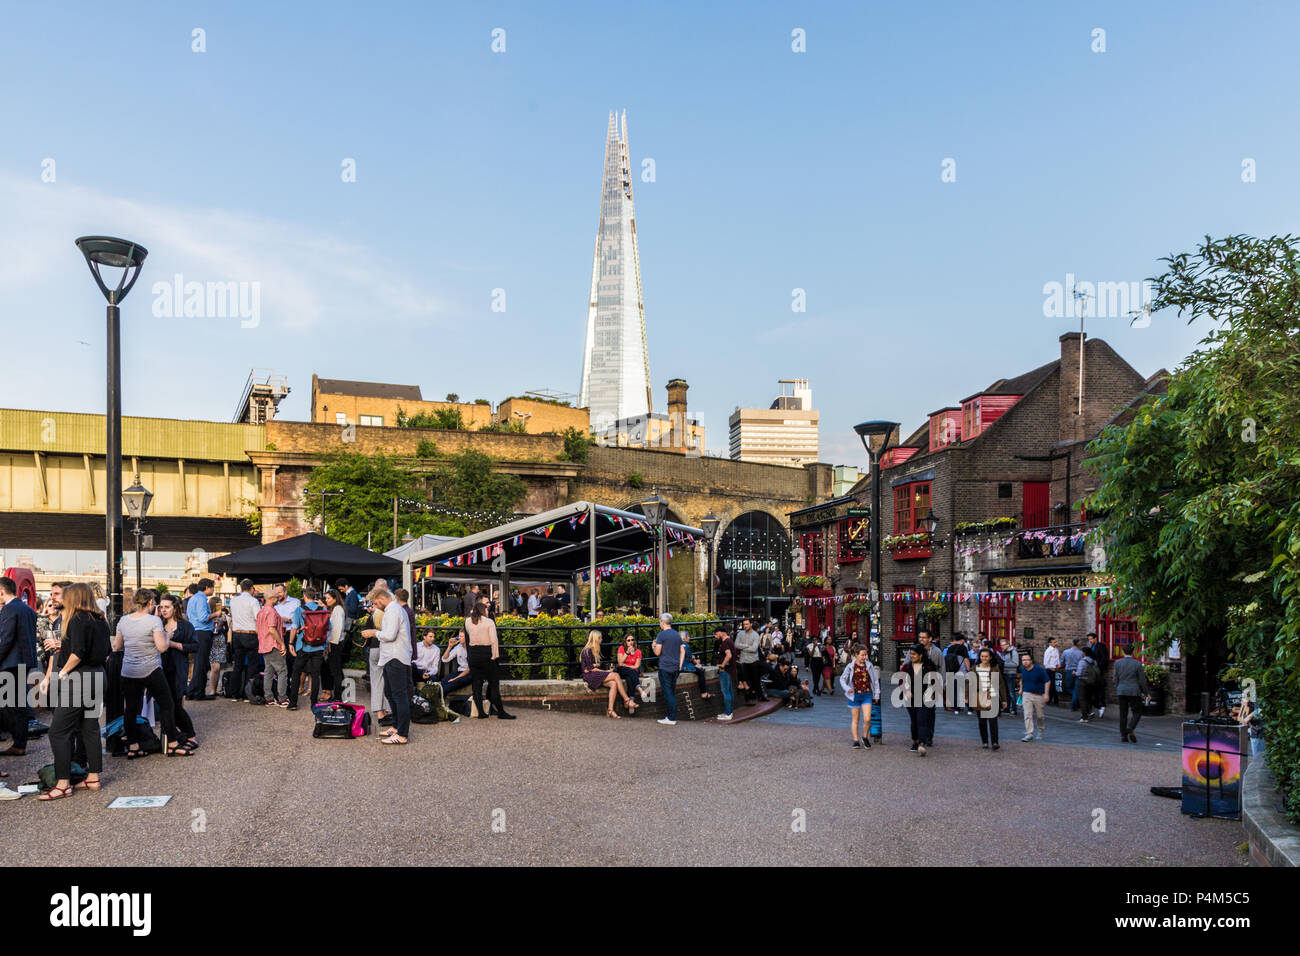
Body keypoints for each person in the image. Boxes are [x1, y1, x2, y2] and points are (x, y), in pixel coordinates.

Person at [38, 583, 110, 800]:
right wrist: (64, 647)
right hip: (98, 676)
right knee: (90, 727)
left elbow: (78, 653)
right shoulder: (100, 620)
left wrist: (62, 672)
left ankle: (62, 784)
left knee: (58, 731)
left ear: (74, 598)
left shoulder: (77, 619)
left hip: (79, 679)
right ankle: (93, 777)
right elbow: (101, 650)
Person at [114, 589, 191, 757]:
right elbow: (162, 647)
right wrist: (167, 635)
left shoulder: (123, 620)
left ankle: (133, 745)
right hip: (150, 669)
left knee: (131, 709)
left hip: (128, 670)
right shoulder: (154, 621)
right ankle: (172, 743)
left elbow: (117, 646)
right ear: (150, 603)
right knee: (167, 704)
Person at [361, 587, 415, 743]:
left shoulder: (393, 611)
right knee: (391, 693)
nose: (376, 606)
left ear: (382, 598)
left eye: (376, 603)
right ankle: (397, 727)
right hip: (392, 657)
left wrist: (373, 633)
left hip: (396, 657)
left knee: (399, 695)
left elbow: (390, 635)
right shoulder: (395, 610)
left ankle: (402, 734)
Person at [0, 575, 39, 757]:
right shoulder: (28, 610)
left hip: (10, 664)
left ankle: (18, 741)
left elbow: (5, 640)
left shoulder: (9, 610)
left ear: (1, 592)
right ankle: (19, 742)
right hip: (25, 662)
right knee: (19, 703)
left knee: (8, 704)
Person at [458, 595, 513, 720]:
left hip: (473, 655)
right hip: (487, 653)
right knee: (494, 684)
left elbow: (467, 640)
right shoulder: (489, 622)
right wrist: (495, 657)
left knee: (476, 685)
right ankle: (501, 712)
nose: (488, 611)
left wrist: (470, 657)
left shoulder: (467, 621)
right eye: (487, 610)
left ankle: (481, 713)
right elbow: (494, 641)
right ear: (483, 611)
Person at [157, 594, 199, 749]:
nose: (163, 610)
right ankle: (172, 735)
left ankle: (191, 735)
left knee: (175, 703)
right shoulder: (158, 624)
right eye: (161, 607)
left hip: (178, 668)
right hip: (160, 669)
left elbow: (195, 646)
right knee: (165, 705)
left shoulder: (186, 626)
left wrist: (173, 644)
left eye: (167, 607)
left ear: (175, 608)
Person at [580, 631, 639, 718]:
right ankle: (627, 700)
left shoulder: (594, 649)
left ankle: (610, 710)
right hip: (590, 676)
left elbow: (594, 666)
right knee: (615, 675)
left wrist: (601, 669)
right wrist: (606, 672)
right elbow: (590, 669)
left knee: (613, 683)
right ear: (596, 639)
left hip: (595, 674)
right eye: (600, 638)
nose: (602, 640)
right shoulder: (587, 650)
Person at [287, 587, 327, 710]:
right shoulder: (323, 610)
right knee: (315, 675)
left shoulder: (300, 609)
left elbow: (294, 627)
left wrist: (290, 643)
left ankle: (293, 703)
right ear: (315, 596)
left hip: (303, 646)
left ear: (304, 596)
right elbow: (328, 629)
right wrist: (326, 645)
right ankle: (313, 703)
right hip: (319, 646)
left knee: (296, 673)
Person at [900, 643, 938, 755]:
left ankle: (922, 743)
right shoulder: (906, 667)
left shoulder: (929, 667)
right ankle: (915, 741)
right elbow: (901, 681)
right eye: (910, 654)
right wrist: (906, 691)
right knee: (914, 720)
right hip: (910, 698)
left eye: (914, 654)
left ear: (921, 655)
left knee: (922, 719)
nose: (911, 656)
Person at [228, 579, 261, 702]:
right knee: (252, 665)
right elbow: (258, 617)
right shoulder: (253, 601)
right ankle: (248, 693)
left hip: (237, 634)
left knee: (238, 665)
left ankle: (234, 693)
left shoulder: (233, 600)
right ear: (252, 588)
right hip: (250, 634)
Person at [838, 645, 877, 749]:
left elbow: (875, 680)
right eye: (862, 655)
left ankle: (864, 737)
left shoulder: (869, 666)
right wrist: (847, 688)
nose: (864, 657)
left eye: (865, 655)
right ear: (856, 655)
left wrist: (876, 694)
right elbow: (842, 679)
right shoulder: (850, 666)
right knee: (856, 719)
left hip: (867, 694)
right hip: (854, 696)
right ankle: (855, 740)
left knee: (867, 719)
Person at [184, 578, 216, 700]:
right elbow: (203, 618)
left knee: (199, 663)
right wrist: (216, 615)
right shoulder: (201, 599)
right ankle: (198, 692)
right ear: (207, 587)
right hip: (203, 632)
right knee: (201, 663)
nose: (213, 590)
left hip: (196, 631)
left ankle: (193, 690)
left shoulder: (193, 598)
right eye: (212, 587)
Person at [1112, 645, 1151, 743]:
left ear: (1123, 652)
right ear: (1133, 652)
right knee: (1137, 712)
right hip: (1134, 691)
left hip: (1122, 690)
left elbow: (1115, 679)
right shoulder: (1137, 664)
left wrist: (1118, 687)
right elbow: (1142, 680)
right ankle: (1130, 727)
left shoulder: (1117, 663)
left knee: (1123, 714)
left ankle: (1123, 736)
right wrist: (1146, 693)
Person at [652, 612, 684, 726]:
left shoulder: (661, 635)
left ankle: (671, 718)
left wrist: (653, 645)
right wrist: (680, 665)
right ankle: (670, 716)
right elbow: (682, 650)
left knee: (668, 693)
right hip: (675, 667)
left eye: (660, 621)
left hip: (665, 667)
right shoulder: (676, 634)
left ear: (663, 622)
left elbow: (657, 652)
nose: (659, 623)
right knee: (672, 691)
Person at [256, 594, 289, 706]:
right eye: (275, 597)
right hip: (273, 644)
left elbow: (258, 629)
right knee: (282, 671)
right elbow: (272, 629)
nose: (278, 599)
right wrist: (282, 643)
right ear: (270, 598)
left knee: (268, 671)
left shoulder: (261, 611)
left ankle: (269, 698)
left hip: (264, 645)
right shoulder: (271, 611)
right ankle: (282, 698)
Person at [972, 647, 1006, 750]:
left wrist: (1004, 699)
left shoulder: (995, 668)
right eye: (982, 656)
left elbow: (1000, 683)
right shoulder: (974, 668)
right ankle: (985, 741)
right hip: (979, 696)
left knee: (993, 720)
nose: (984, 658)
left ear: (990, 657)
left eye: (986, 656)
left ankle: (995, 742)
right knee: (982, 721)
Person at [1016, 651, 1051, 742]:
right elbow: (1022, 680)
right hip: (1027, 694)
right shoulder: (1023, 669)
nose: (1025, 662)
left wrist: (1046, 694)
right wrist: (1021, 689)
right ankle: (1029, 733)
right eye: (1023, 660)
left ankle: (1040, 730)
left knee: (1040, 716)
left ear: (1031, 661)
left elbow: (1047, 681)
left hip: (1038, 695)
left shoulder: (1039, 669)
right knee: (1027, 714)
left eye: (1027, 660)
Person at [322, 589, 348, 701]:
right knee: (335, 670)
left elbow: (336, 630)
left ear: (335, 598)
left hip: (335, 643)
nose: (326, 600)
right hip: (333, 642)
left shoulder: (338, 609)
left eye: (328, 598)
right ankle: (339, 694)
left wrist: (329, 644)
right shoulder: (334, 609)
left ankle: (338, 697)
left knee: (335, 671)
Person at [734, 617, 765, 703]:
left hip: (753, 660)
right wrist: (747, 645)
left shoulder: (755, 635)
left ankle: (756, 697)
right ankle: (748, 699)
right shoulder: (740, 634)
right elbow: (736, 645)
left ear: (751, 624)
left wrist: (742, 646)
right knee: (745, 679)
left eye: (747, 624)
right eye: (744, 624)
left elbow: (754, 649)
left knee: (754, 680)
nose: (745, 626)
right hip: (743, 660)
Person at [207, 595, 228, 696]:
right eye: (219, 603)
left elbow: (226, 630)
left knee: (218, 668)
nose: (221, 605)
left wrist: (224, 623)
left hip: (221, 643)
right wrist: (219, 629)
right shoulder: (210, 615)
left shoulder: (221, 616)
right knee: (215, 667)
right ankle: (211, 689)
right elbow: (213, 632)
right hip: (213, 643)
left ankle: (214, 689)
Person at [714, 626, 737, 721]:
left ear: (721, 633)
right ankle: (729, 712)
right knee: (730, 691)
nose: (715, 636)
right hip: (731, 670)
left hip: (725, 670)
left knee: (726, 691)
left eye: (716, 634)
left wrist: (722, 665)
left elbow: (729, 655)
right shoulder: (730, 641)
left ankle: (728, 714)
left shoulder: (725, 643)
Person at [440, 630, 471, 695]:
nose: (459, 638)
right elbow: (445, 659)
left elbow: (469, 669)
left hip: (470, 673)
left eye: (462, 636)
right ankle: (442, 699)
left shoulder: (471, 648)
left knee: (455, 682)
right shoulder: (458, 647)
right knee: (444, 681)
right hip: (460, 671)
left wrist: (455, 679)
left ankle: (440, 698)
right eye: (459, 636)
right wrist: (450, 646)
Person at [680, 630, 709, 699]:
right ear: (684, 637)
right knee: (701, 672)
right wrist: (697, 663)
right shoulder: (686, 646)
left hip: (678, 666)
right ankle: (704, 693)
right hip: (684, 667)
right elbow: (690, 658)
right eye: (688, 636)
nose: (689, 638)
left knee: (698, 667)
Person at [615, 635, 643, 703]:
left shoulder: (638, 651)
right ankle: (639, 688)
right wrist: (627, 652)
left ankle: (631, 700)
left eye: (632, 640)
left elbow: (637, 666)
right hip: (622, 670)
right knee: (631, 672)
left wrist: (626, 665)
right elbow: (620, 663)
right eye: (629, 640)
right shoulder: (621, 648)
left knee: (629, 679)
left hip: (632, 671)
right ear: (625, 641)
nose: (631, 642)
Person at [1087, 633, 1109, 717]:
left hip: (1099, 671)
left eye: (1091, 639)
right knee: (1094, 690)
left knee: (1100, 688)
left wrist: (1099, 668)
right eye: (1089, 639)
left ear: (1095, 638)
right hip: (1093, 671)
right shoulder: (1092, 647)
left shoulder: (1101, 646)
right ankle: (1099, 706)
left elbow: (1104, 658)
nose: (1090, 641)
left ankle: (1101, 705)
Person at [1076, 647, 1101, 722]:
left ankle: (1084, 717)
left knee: (1082, 699)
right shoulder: (1094, 661)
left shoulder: (1082, 661)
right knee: (1089, 698)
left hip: (1083, 681)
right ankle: (1090, 712)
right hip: (1092, 682)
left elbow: (1079, 673)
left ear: (1084, 653)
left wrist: (1074, 673)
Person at [997, 636, 1019, 716]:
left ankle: (1013, 709)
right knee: (1005, 692)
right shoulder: (1003, 652)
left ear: (1008, 644)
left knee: (1011, 692)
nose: (1002, 646)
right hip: (1004, 674)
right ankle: (1007, 709)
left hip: (1011, 674)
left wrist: (1003, 664)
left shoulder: (1014, 652)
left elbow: (1016, 664)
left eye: (1003, 645)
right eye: (1001, 645)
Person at [1061, 638, 1084, 711]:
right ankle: (1074, 705)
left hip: (1069, 671)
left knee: (1069, 688)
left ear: (1072, 643)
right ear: (1078, 644)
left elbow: (1061, 662)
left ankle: (1074, 705)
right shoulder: (1081, 653)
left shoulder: (1066, 652)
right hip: (1078, 671)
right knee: (1076, 689)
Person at [1042, 635, 1062, 706]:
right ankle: (1050, 700)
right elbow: (1045, 663)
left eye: (1056, 642)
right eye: (1054, 642)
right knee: (1051, 685)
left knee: (1055, 685)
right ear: (1050, 643)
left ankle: (1055, 700)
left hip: (1055, 669)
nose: (1055, 643)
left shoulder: (1056, 650)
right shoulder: (1048, 651)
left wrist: (1058, 664)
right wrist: (1051, 668)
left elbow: (1057, 659)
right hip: (1050, 670)